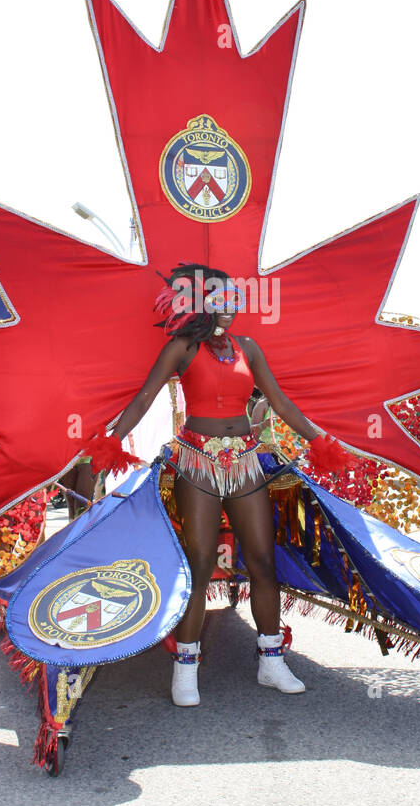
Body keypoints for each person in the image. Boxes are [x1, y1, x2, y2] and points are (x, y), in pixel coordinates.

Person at [111, 264, 321, 707]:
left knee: (263, 561)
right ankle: (185, 668)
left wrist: (323, 442)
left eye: (235, 302)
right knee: (200, 563)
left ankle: (271, 660)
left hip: (245, 462)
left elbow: (279, 402)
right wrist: (107, 441)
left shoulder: (249, 348)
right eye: (220, 302)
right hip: (198, 461)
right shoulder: (182, 347)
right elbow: (145, 397)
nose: (229, 310)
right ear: (200, 303)